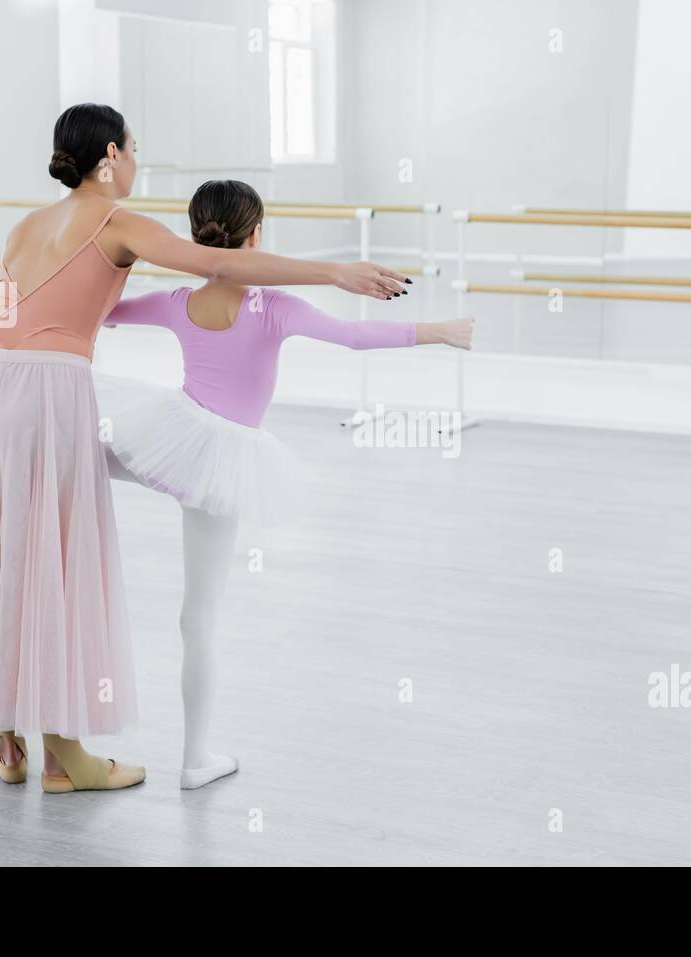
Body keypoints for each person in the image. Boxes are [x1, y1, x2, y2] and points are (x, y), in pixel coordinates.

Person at [0, 105, 408, 794]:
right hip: (47, 389)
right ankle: (64, 757)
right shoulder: (118, 222)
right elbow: (218, 261)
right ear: (111, 154)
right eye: (135, 148)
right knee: (55, 556)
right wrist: (336, 273)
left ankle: (10, 740)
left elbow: (30, 315)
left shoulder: (26, 226)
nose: (138, 161)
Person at [95, 179, 474, 788]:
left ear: (197, 237)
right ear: (257, 236)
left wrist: (90, 267)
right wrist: (441, 330)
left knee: (99, 453)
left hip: (173, 436)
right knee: (200, 616)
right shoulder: (272, 308)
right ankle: (195, 761)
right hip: (218, 463)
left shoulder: (175, 301)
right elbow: (355, 337)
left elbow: (105, 314)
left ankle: (37, 451)